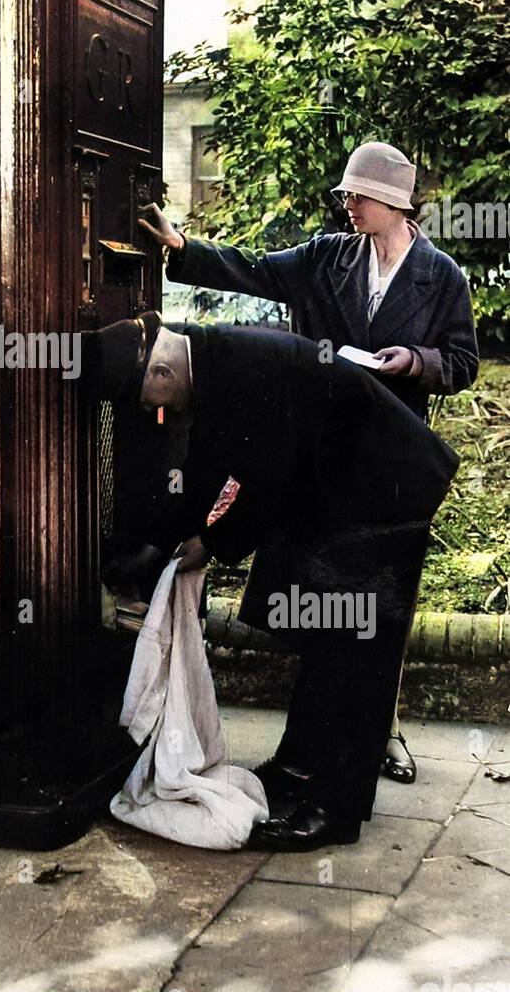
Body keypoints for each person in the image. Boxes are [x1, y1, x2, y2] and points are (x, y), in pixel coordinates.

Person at [138, 142, 479, 783]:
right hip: (325, 459)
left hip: (388, 462)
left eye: (359, 196)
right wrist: (182, 249)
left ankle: (384, 734)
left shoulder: (444, 278)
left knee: (382, 604)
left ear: (395, 203)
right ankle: (320, 747)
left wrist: (413, 361)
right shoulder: (327, 256)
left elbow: (462, 362)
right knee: (329, 595)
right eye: (345, 195)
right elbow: (255, 271)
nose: (347, 204)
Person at [82, 312, 459, 851]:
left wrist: (210, 543)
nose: (151, 410)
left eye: (145, 399)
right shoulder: (210, 361)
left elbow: (266, 477)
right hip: (346, 491)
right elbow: (210, 468)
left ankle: (335, 811)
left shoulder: (238, 365)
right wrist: (160, 542)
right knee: (327, 637)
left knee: (358, 650)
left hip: (386, 489)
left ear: (163, 372)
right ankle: (300, 767)